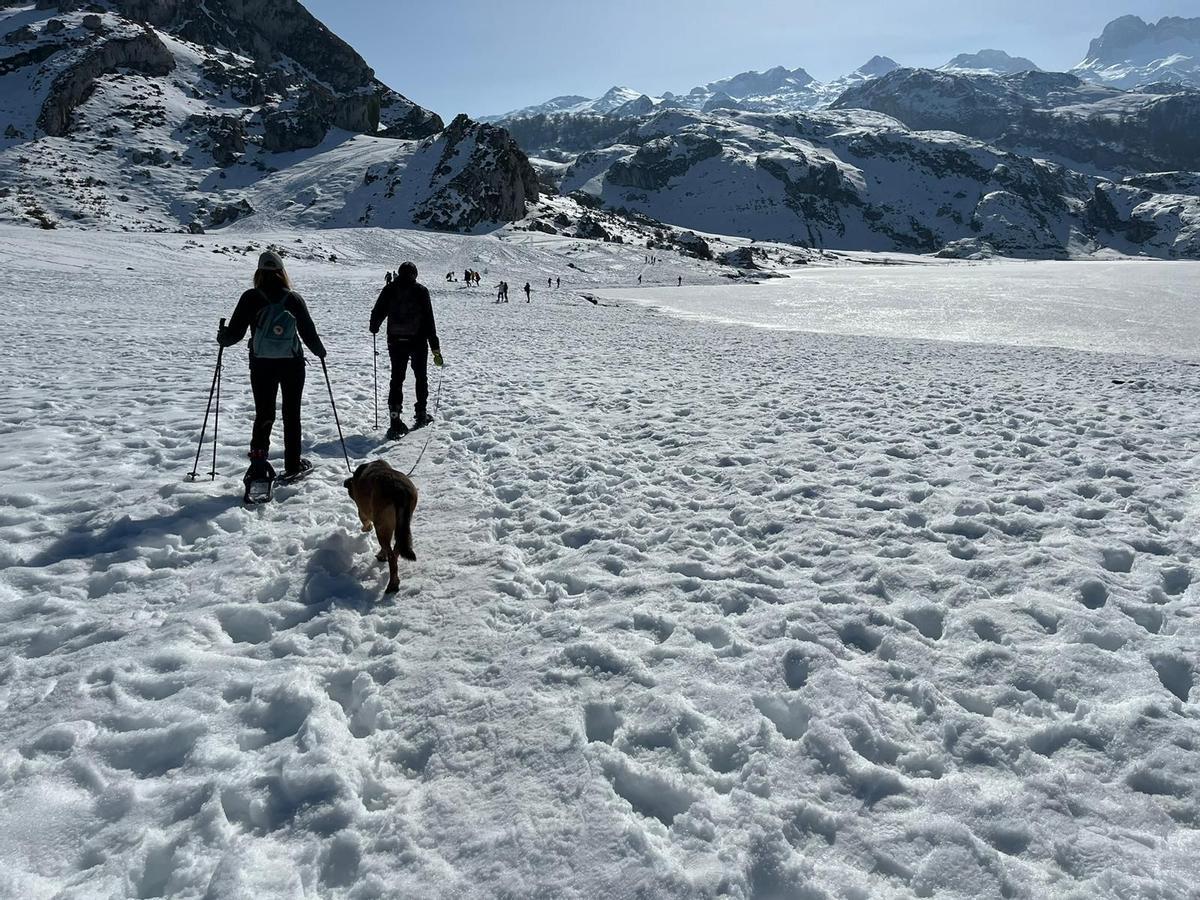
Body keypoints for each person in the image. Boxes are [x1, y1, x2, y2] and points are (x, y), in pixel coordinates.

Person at [218, 251, 326, 482]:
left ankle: (258, 464)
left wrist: (223, 338)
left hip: (261, 364)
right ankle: (293, 463)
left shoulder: (251, 297)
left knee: (264, 414)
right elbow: (308, 332)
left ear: (259, 273)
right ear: (282, 272)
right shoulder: (293, 298)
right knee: (291, 414)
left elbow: (235, 334)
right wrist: (320, 351)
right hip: (292, 364)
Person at [371, 262, 445, 439]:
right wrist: (435, 346)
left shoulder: (389, 289)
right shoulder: (421, 291)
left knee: (397, 378)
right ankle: (421, 413)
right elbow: (429, 319)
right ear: (415, 274)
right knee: (421, 376)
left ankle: (394, 420)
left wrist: (374, 326)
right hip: (418, 341)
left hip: (395, 340)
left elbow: (378, 312)